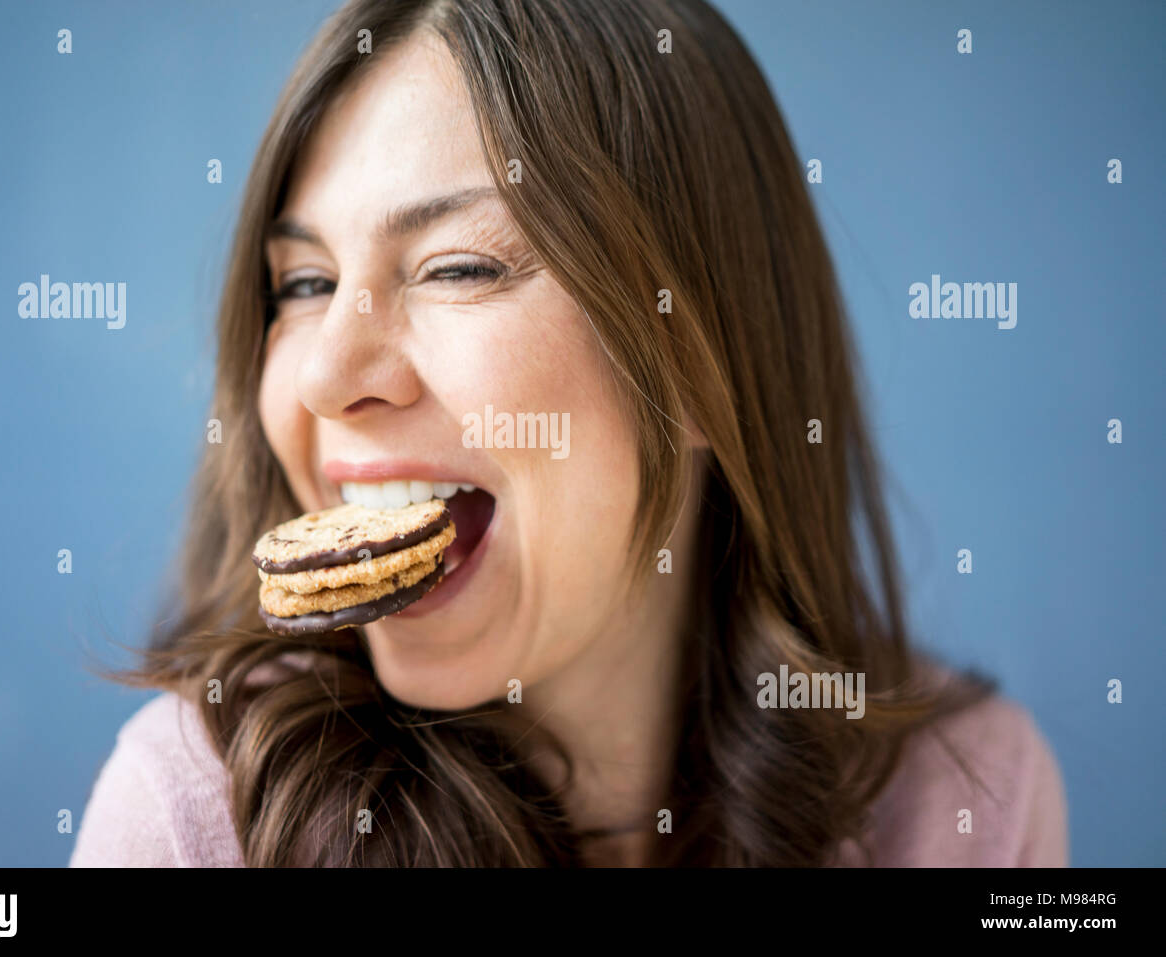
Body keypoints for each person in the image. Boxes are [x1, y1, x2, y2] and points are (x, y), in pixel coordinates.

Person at [71, 0, 1067, 867]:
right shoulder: (198, 824)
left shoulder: (966, 800)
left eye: (456, 267)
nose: (327, 376)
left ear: (698, 360)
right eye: (304, 283)